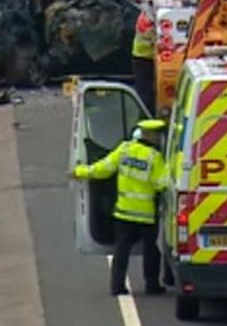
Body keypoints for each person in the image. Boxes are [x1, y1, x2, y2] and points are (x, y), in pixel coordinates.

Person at [72, 118, 169, 296]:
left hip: (123, 213)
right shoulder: (154, 158)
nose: (158, 138)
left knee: (121, 251)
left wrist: (79, 171)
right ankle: (152, 285)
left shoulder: (124, 149)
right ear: (149, 135)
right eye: (156, 135)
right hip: (146, 216)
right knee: (151, 250)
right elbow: (161, 184)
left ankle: (117, 286)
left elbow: (102, 169)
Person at [131, 0, 158, 115]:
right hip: (143, 58)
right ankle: (146, 114)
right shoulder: (146, 19)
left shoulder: (147, 14)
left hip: (144, 57)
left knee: (147, 90)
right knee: (145, 92)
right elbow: (152, 37)